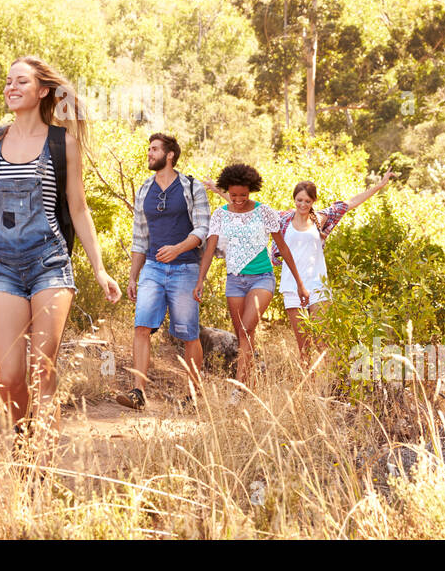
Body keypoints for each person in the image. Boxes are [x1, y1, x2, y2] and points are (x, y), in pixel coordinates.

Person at [0, 56, 121, 438]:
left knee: (41, 370)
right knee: (8, 376)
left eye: (21, 82)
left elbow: (79, 209)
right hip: (3, 267)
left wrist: (99, 269)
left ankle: (40, 465)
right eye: (7, 82)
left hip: (49, 264)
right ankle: (22, 438)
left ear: (43, 91)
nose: (11, 88)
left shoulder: (61, 143)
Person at [193, 163, 310, 391]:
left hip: (261, 279)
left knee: (246, 330)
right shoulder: (220, 215)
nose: (238, 199)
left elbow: (283, 248)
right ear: (227, 190)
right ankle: (251, 382)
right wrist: (200, 281)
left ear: (251, 190)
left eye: (243, 195)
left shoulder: (263, 212)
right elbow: (210, 249)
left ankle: (237, 388)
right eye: (233, 195)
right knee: (243, 336)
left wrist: (300, 284)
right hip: (234, 280)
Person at [117, 133, 211, 411]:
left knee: (188, 333)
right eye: (149, 149)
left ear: (170, 155)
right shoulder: (145, 190)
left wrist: (179, 248)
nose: (149, 153)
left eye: (154, 149)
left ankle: (193, 396)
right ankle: (138, 393)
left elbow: (203, 229)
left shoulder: (191, 187)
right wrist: (133, 275)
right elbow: (139, 238)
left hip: (185, 269)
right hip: (153, 270)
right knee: (141, 327)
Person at [269, 174, 395, 364]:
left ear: (314, 201)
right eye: (299, 200)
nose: (302, 204)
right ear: (294, 199)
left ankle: (329, 384)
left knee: (322, 342)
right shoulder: (283, 219)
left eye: (307, 201)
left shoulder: (321, 218)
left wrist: (380, 185)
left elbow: (351, 203)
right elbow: (250, 209)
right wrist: (222, 192)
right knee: (303, 346)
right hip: (292, 285)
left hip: (317, 285)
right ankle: (307, 388)